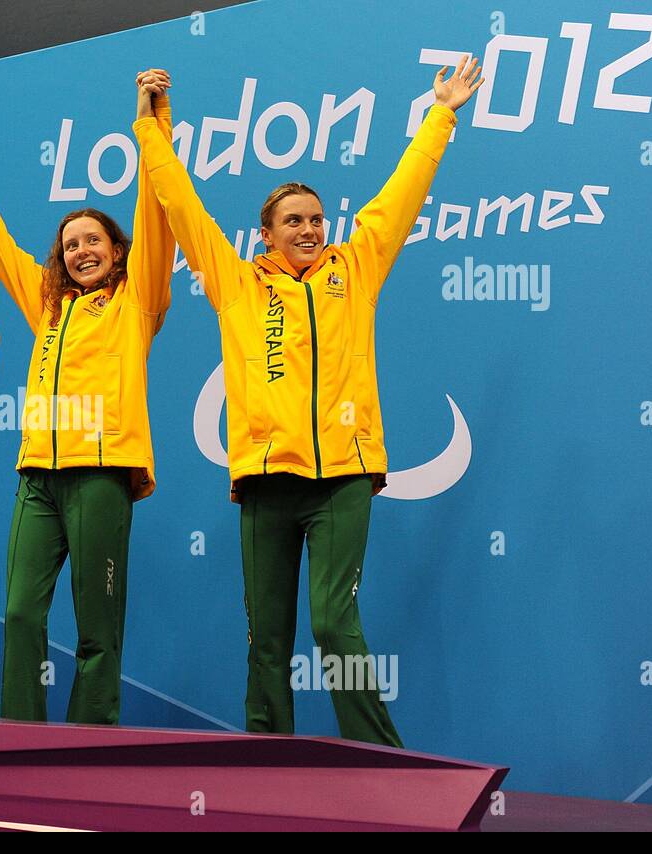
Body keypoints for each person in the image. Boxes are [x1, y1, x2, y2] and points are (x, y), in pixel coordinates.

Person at [134, 59, 485, 744]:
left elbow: (402, 194)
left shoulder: (354, 270)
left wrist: (441, 112)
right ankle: (269, 757)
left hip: (343, 479)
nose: (309, 228)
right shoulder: (237, 284)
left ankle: (378, 753)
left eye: (317, 218)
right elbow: (180, 204)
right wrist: (153, 127)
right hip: (267, 481)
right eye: (293, 220)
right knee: (267, 635)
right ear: (265, 233)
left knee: (332, 622)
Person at [0, 71, 174, 725]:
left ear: (117, 250)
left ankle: (89, 744)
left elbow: (156, 217)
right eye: (70, 245)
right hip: (38, 481)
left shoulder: (136, 301)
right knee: (19, 612)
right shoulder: (47, 305)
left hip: (102, 476)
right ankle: (21, 738)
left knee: (98, 626)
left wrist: (153, 123)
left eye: (93, 240)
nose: (80, 251)